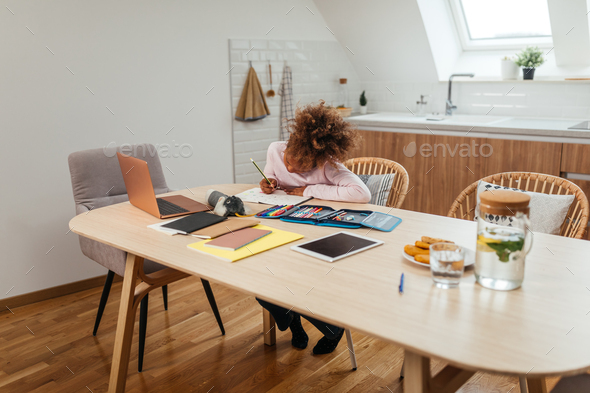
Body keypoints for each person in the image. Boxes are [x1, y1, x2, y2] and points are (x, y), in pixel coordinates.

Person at [257, 100, 371, 355]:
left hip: (318, 233)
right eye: (288, 159)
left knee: (300, 278)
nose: (288, 167)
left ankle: (330, 328)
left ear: (315, 160)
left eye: (298, 166)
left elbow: (361, 193)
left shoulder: (327, 165)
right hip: (282, 225)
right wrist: (268, 183)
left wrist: (309, 189)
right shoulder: (275, 149)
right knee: (260, 278)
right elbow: (270, 176)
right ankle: (297, 322)